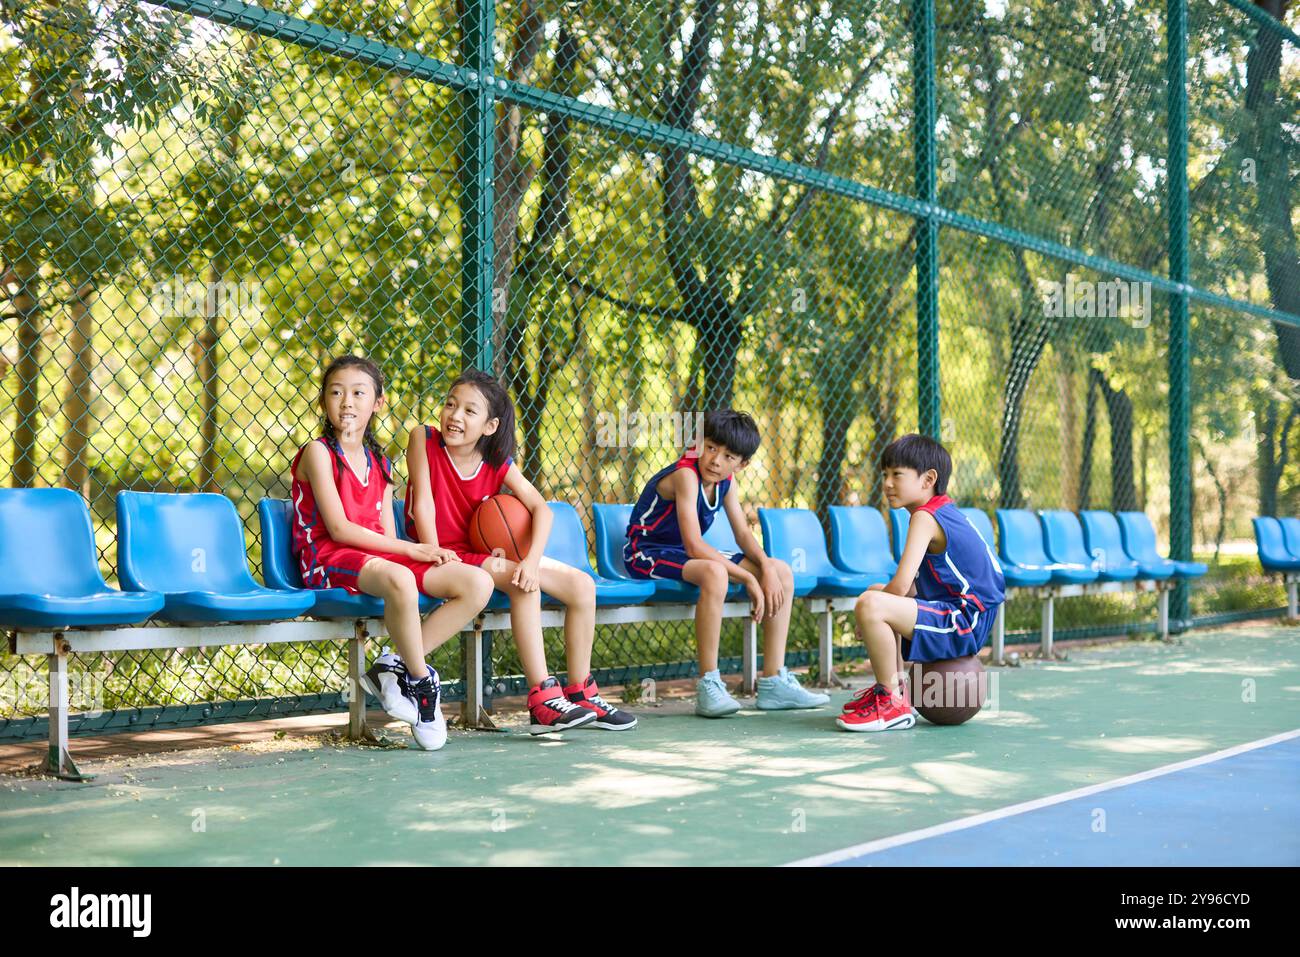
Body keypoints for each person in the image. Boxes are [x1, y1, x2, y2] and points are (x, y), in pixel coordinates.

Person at [405, 369, 636, 735]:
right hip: (443, 554)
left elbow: (541, 508)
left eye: (469, 410)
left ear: (490, 426)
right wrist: (435, 550)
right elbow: (424, 503)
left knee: (581, 586)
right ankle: (542, 698)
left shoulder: (496, 463)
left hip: (482, 553)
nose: (455, 415)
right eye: (450, 404)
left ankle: (580, 692)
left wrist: (530, 560)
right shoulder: (424, 438)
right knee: (521, 582)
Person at [291, 355, 494, 750]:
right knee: (400, 576)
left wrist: (420, 554)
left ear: (378, 403)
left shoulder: (381, 464)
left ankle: (392, 666)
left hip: (373, 559)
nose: (346, 402)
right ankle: (421, 684)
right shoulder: (318, 453)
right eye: (336, 393)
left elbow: (384, 533)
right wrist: (413, 549)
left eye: (358, 393)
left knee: (477, 583)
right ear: (323, 402)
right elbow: (339, 529)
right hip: (325, 558)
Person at [624, 410, 830, 717]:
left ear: (741, 464)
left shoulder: (726, 482)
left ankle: (773, 681)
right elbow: (694, 545)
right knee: (715, 572)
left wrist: (766, 568)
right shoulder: (686, 475)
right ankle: (709, 684)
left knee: (782, 573)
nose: (715, 460)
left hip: (680, 553)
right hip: (646, 552)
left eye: (728, 456)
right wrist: (748, 578)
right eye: (710, 448)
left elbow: (743, 534)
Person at [837, 433, 1006, 732]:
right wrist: (877, 603)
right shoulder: (941, 511)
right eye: (885, 475)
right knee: (876, 593)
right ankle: (896, 692)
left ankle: (890, 704)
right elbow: (915, 587)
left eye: (897, 475)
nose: (887, 483)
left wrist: (867, 614)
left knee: (872, 603)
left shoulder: (925, 518)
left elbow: (902, 586)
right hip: (969, 614)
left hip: (963, 619)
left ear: (928, 479)